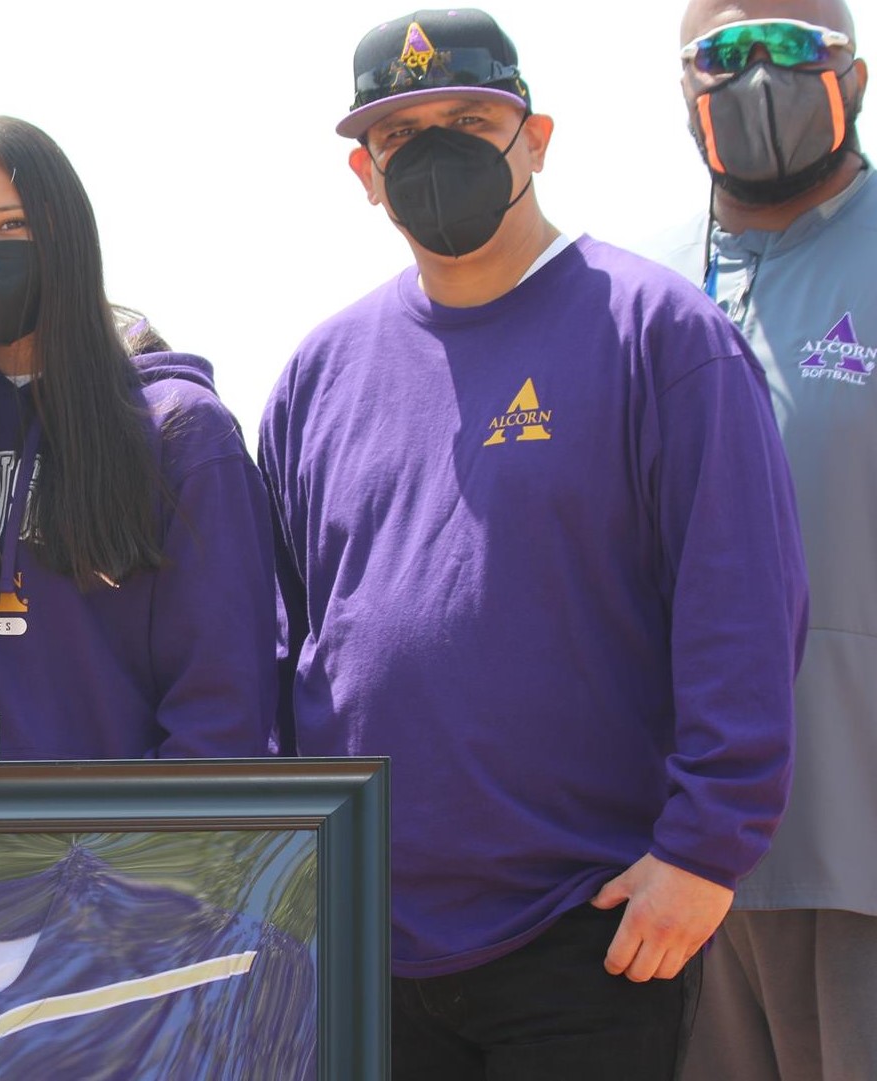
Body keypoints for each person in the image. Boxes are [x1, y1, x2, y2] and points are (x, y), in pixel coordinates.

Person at [260, 9, 808, 1078]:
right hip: (372, 943)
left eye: (468, 117)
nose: (437, 152)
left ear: (538, 137)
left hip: (586, 930)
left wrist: (705, 851)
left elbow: (741, 604)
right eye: (403, 136)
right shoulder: (317, 375)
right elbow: (281, 643)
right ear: (365, 172)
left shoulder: (661, 334)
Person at [0, 116, 276, 762]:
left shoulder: (183, 432)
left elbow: (222, 712)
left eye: (9, 225)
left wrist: (128, 859)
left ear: (64, 230)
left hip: (115, 856)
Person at [653, 4, 877, 1078]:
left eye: (793, 49)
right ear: (681, 91)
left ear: (857, 76)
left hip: (861, 851)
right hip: (663, 874)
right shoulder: (634, 292)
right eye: (723, 56)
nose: (757, 78)